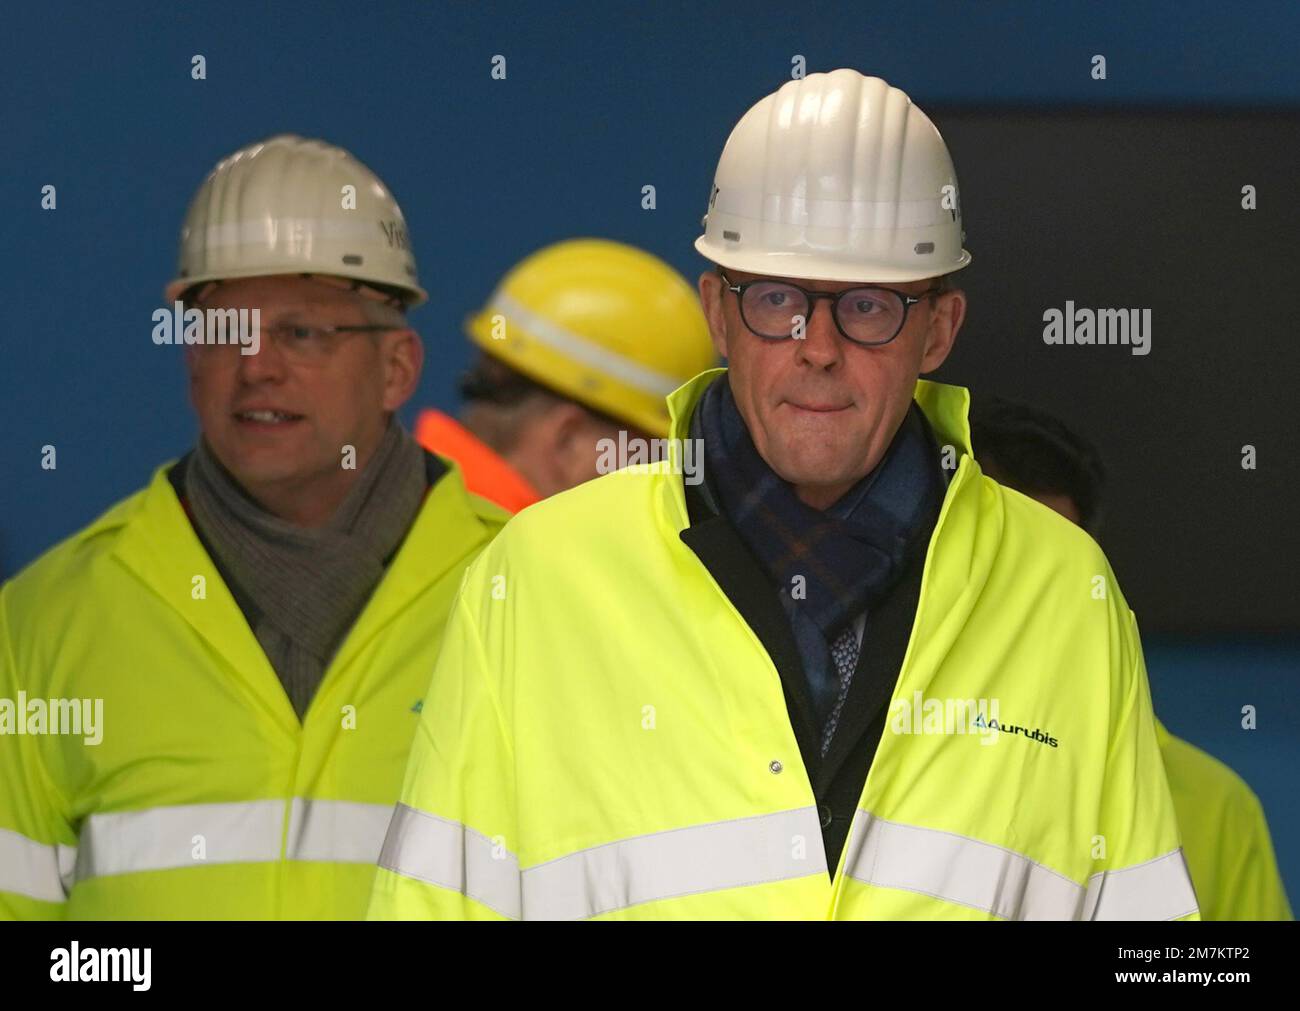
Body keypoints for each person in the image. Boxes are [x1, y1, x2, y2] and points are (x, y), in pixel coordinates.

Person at [369, 71, 1197, 920]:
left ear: (939, 330)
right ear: (717, 316)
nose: (819, 348)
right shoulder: (538, 580)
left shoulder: (1065, 592)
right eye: (776, 300)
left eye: (869, 306)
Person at [0, 134, 507, 919]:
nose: (256, 365)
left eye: (303, 333)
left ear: (398, 368)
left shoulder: (517, 593)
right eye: (221, 331)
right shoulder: (46, 621)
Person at [972, 395, 1293, 920]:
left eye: (1055, 568)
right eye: (995, 560)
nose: (1024, 598)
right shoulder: (853, 766)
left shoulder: (1213, 806)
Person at [414, 238, 716, 511]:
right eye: (651, 462)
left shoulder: (405, 506)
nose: (661, 496)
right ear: (569, 442)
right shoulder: (519, 564)